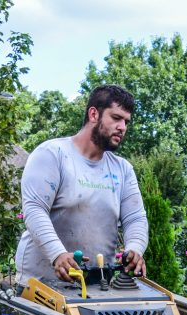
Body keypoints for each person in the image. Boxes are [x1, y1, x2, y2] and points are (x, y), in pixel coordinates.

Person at [15, 84, 149, 285]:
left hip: (97, 285)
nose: (122, 127)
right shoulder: (52, 154)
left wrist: (135, 248)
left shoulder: (123, 169)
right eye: (116, 118)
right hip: (41, 285)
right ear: (94, 114)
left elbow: (135, 218)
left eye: (126, 121)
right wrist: (58, 254)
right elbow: (34, 209)